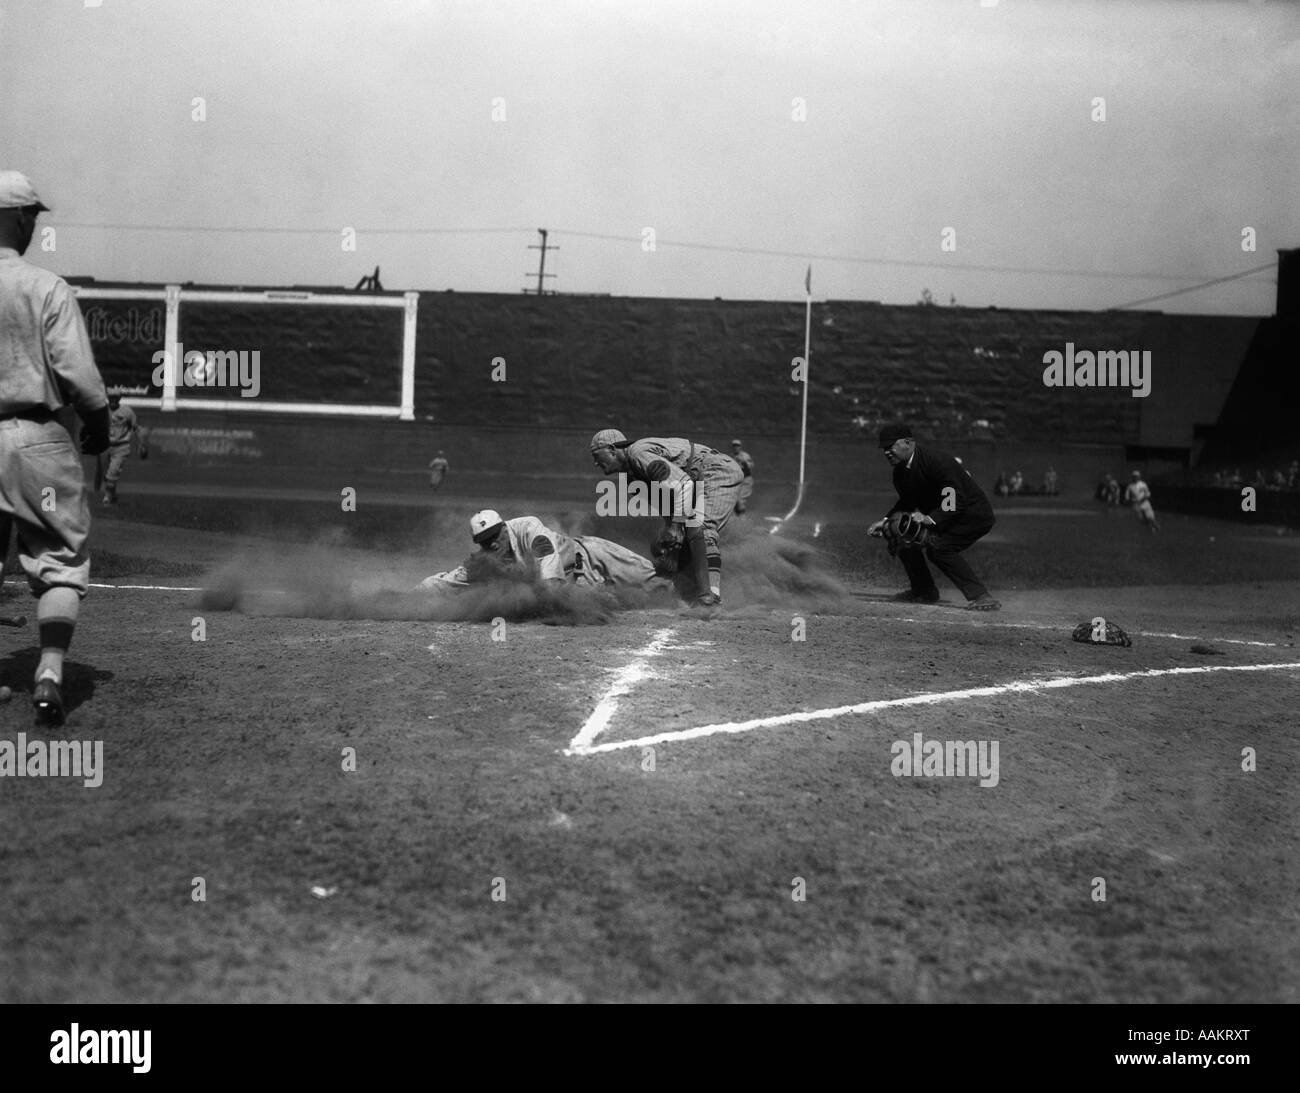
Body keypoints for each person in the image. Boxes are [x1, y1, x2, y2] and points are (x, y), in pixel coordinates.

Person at [0, 170, 112, 725]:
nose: (33, 225)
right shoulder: (45, 287)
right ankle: (47, 675)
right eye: (32, 216)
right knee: (60, 563)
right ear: (18, 219)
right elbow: (82, 380)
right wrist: (97, 425)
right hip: (33, 437)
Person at [589, 429, 743, 607]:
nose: (595, 463)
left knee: (700, 527)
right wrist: (672, 542)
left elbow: (682, 485)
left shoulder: (639, 454)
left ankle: (711, 597)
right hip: (695, 483)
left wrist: (676, 527)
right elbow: (669, 508)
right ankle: (688, 590)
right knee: (664, 545)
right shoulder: (631, 480)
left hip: (716, 471)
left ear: (611, 449)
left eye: (596, 455)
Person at [868, 424, 1000, 611]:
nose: (887, 452)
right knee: (901, 536)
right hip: (944, 515)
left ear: (908, 442)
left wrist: (930, 519)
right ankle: (924, 591)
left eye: (891, 446)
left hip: (973, 515)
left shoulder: (937, 462)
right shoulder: (900, 472)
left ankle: (981, 596)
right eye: (884, 449)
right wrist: (886, 521)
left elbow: (956, 499)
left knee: (939, 548)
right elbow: (907, 501)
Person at [418, 509, 668, 593]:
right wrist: (413, 594)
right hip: (580, 585)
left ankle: (702, 596)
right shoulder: (485, 561)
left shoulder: (529, 529)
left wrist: (549, 601)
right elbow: (447, 581)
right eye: (484, 541)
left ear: (504, 528)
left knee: (657, 581)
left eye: (494, 535)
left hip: (593, 556)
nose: (491, 543)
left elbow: (547, 558)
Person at [98, 388, 148, 504]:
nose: (113, 400)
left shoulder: (127, 411)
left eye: (115, 397)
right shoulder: (103, 411)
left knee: (112, 473)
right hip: (105, 446)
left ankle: (108, 498)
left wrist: (142, 444)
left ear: (119, 398)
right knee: (106, 476)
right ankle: (113, 494)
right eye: (111, 397)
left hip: (121, 447)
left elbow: (136, 428)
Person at [730, 438, 755, 515]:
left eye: (737, 445)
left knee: (739, 499)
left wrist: (744, 462)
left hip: (746, 480)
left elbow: (751, 465)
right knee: (733, 500)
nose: (736, 447)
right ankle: (739, 517)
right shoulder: (732, 456)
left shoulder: (745, 456)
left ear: (740, 447)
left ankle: (742, 518)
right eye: (734, 445)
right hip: (737, 481)